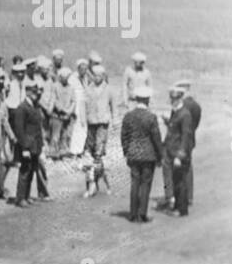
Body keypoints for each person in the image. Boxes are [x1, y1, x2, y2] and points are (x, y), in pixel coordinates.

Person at [120, 84, 165, 222]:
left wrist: (126, 151)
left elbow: (124, 136)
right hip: (148, 155)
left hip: (133, 154)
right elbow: (156, 138)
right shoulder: (151, 117)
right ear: (147, 100)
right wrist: (160, 155)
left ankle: (133, 214)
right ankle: (142, 213)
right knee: (145, 184)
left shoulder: (128, 116)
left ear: (136, 99)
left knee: (135, 183)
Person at [9, 82, 45, 207]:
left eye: (37, 92)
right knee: (24, 171)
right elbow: (19, 130)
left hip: (35, 145)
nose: (36, 95)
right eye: (34, 92)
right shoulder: (22, 108)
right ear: (28, 92)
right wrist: (24, 148)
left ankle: (27, 195)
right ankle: (20, 198)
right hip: (27, 145)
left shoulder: (35, 106)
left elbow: (38, 127)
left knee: (30, 172)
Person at [83, 64, 116, 198]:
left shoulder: (108, 89)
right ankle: (103, 182)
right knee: (90, 153)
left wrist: (115, 122)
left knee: (98, 152)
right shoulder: (88, 89)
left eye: (99, 75)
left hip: (103, 123)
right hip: (91, 123)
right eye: (94, 75)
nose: (96, 78)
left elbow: (114, 107)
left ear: (103, 76)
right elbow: (84, 106)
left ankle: (92, 185)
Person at [165, 85, 195, 217]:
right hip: (172, 152)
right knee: (176, 181)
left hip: (179, 154)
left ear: (180, 98)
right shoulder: (176, 111)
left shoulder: (185, 114)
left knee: (180, 182)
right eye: (172, 98)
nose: (173, 100)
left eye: (175, 98)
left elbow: (185, 137)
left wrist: (179, 156)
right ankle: (177, 206)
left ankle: (182, 210)